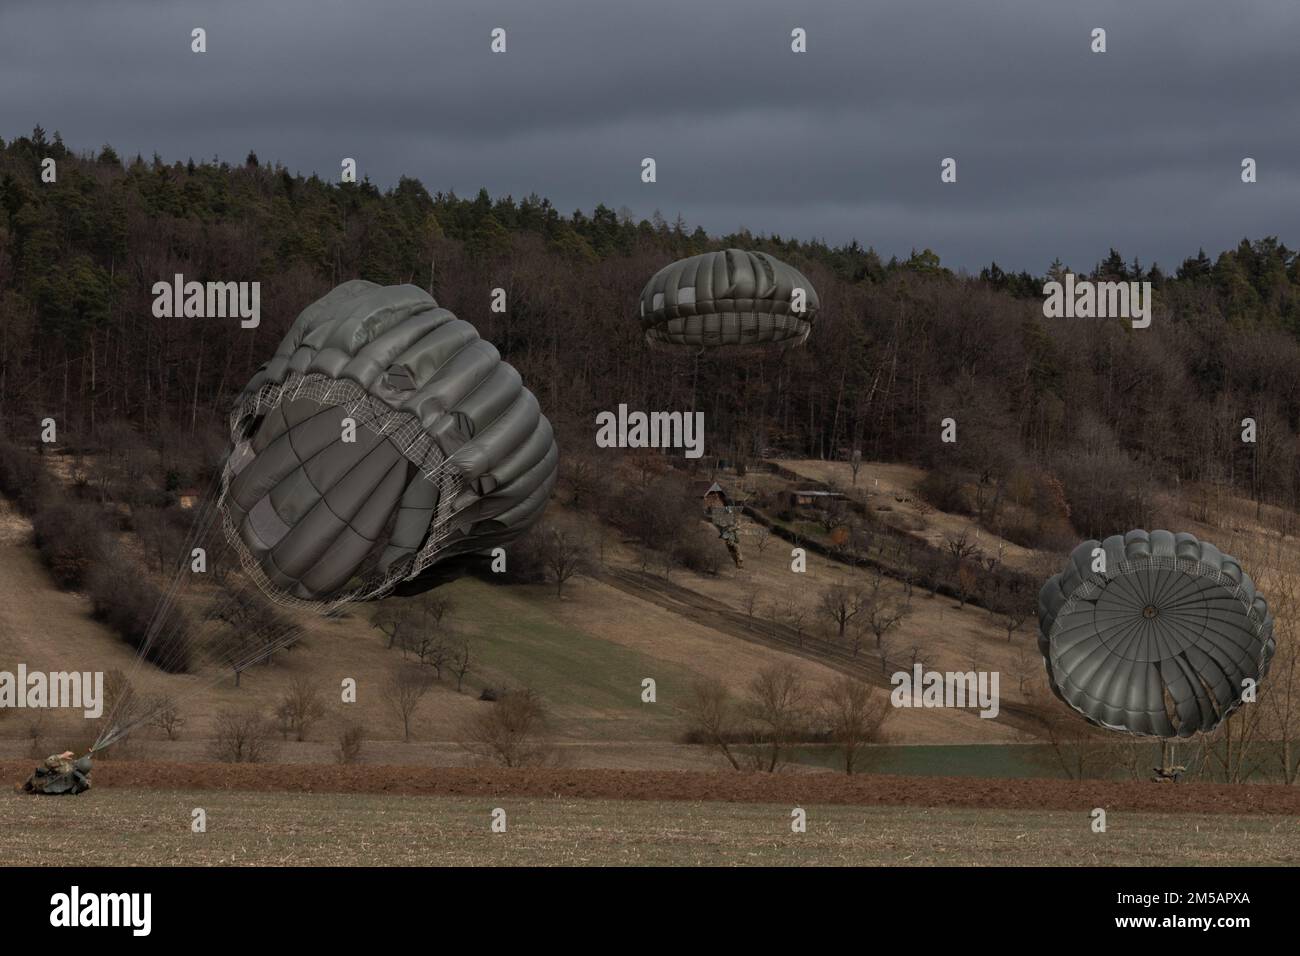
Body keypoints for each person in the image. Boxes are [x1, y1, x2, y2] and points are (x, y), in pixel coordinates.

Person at [22, 751, 93, 795]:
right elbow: (82, 766)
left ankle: (24, 789)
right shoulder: (85, 780)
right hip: (59, 792)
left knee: (35, 776)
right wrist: (89, 755)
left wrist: (62, 755)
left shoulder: (65, 768)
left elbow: (48, 762)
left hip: (44, 787)